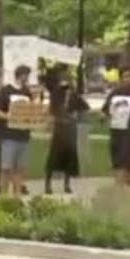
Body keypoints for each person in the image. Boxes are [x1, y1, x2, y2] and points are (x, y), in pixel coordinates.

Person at [43, 64, 90, 195]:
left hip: (70, 127)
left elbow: (85, 107)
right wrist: (51, 123)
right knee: (53, 156)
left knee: (69, 155)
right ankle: (48, 184)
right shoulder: (56, 92)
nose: (67, 82)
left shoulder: (74, 95)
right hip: (59, 126)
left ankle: (67, 184)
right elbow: (48, 81)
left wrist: (75, 115)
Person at [0, 65, 36, 198]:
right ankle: (3, 197)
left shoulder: (27, 93)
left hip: (23, 135)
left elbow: (32, 111)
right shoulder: (6, 91)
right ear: (20, 75)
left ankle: (17, 197)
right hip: (8, 135)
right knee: (6, 168)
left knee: (20, 168)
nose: (27, 79)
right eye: (26, 76)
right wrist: (9, 116)